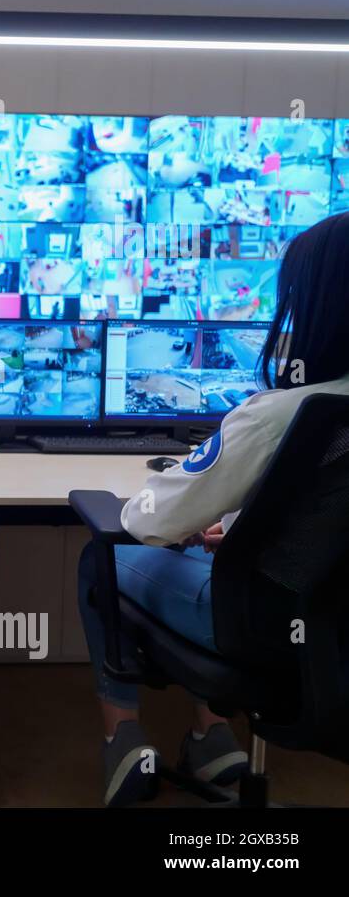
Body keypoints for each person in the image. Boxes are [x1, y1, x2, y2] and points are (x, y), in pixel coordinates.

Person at [79, 211, 349, 806]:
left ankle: (123, 738)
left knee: (104, 551)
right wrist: (243, 529)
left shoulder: (281, 413)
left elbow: (150, 520)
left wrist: (192, 508)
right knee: (209, 548)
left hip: (267, 626)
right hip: (332, 632)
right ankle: (209, 736)